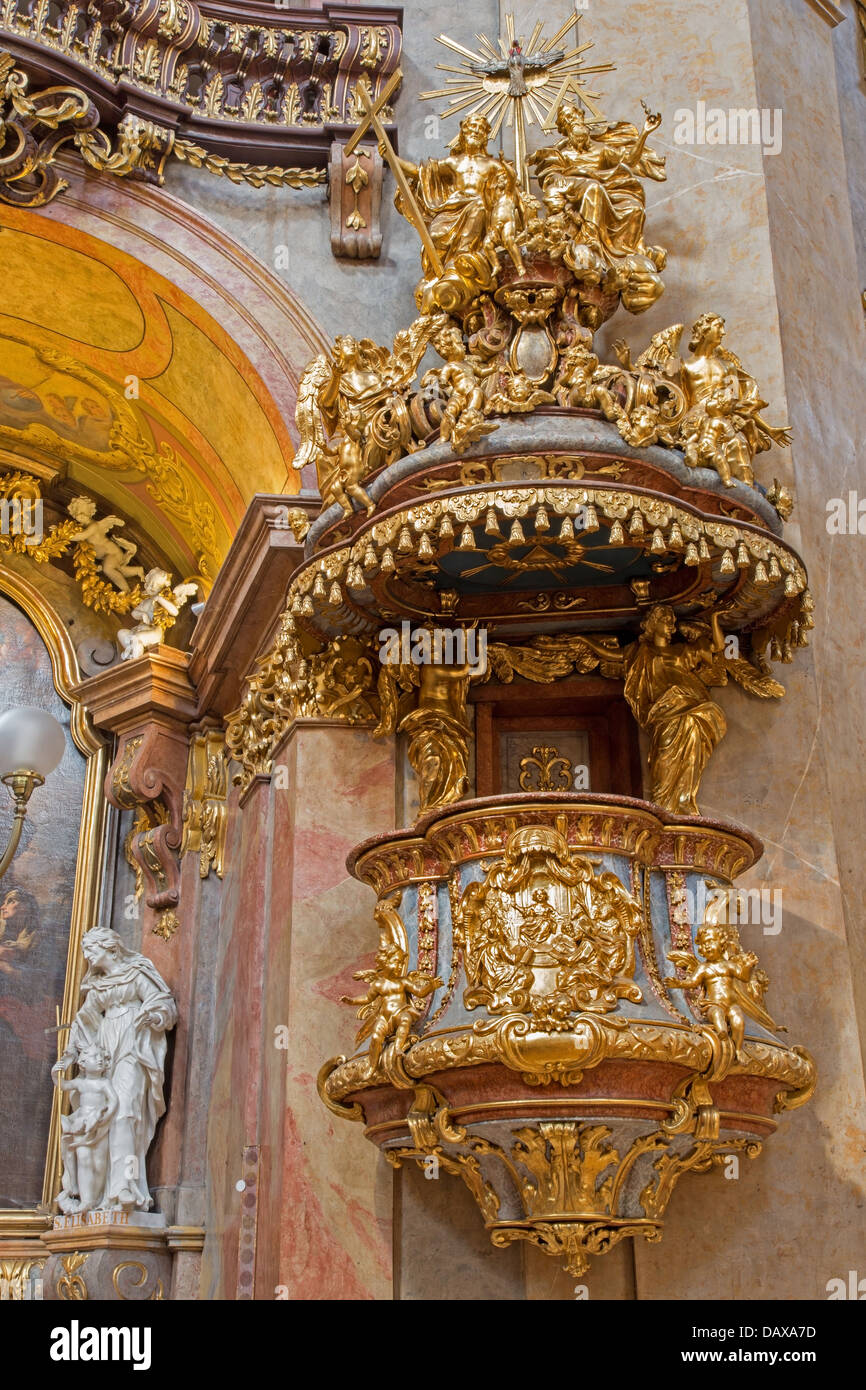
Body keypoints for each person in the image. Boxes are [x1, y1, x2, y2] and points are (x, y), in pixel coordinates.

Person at [51, 926, 176, 1213]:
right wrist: (70, 1054)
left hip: (134, 1042)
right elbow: (84, 1022)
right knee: (101, 1116)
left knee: (124, 1111)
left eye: (91, 949)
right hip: (105, 1045)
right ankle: (104, 1192)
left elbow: (164, 1005)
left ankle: (125, 1186)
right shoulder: (96, 985)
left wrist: (153, 1016)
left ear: (110, 948)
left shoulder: (136, 973)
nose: (86, 955)